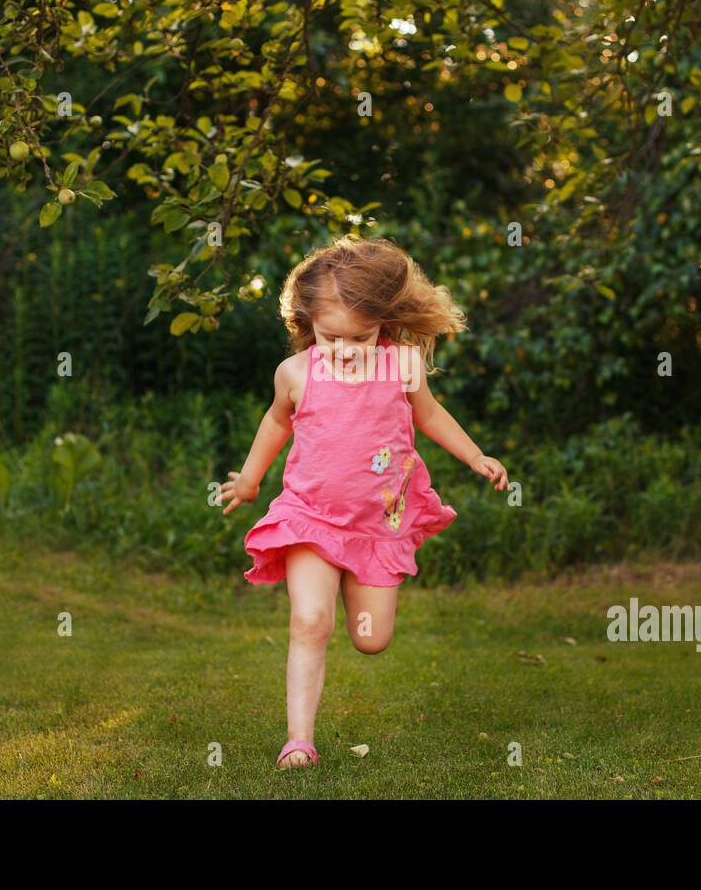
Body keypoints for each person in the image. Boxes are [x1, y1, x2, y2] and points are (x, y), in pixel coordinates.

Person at [218, 234, 509, 769]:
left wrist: (475, 456)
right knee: (310, 621)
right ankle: (299, 740)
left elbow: (430, 416)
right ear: (308, 323)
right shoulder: (297, 372)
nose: (347, 350)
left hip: (379, 522)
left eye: (363, 336)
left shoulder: (401, 364)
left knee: (371, 640)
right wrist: (250, 482)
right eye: (332, 337)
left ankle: (358, 580)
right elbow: (276, 422)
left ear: (384, 323)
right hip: (310, 516)